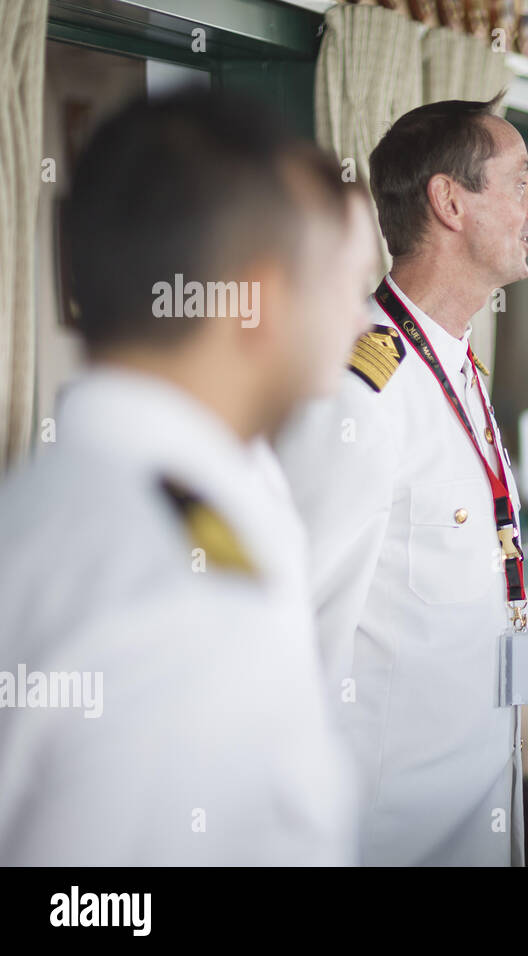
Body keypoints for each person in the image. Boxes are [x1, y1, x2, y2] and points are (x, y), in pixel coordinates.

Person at [0, 91, 374, 865]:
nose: (364, 322)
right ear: (258, 303)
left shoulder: (39, 506)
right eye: (342, 283)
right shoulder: (187, 599)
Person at [274, 92, 528, 866]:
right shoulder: (359, 388)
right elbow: (299, 635)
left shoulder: (454, 363)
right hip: (384, 832)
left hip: (469, 814)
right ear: (450, 201)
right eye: (521, 183)